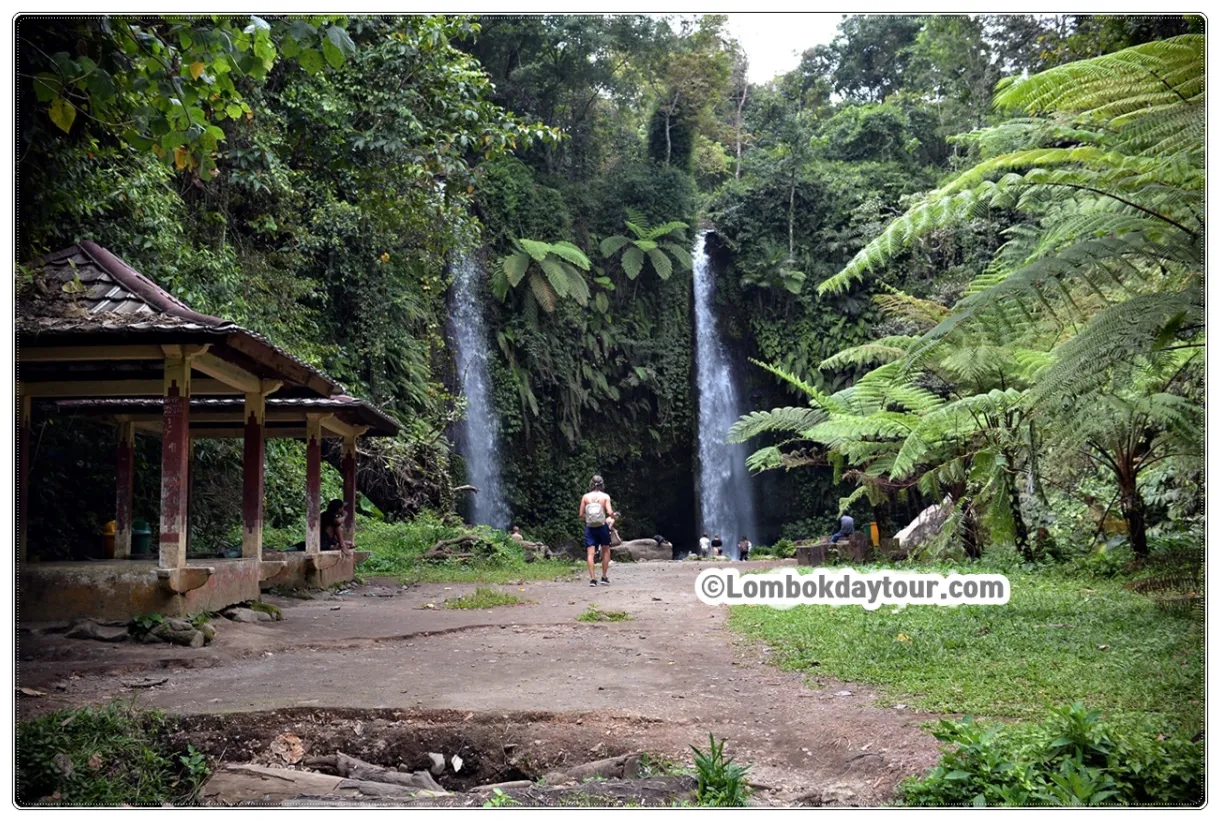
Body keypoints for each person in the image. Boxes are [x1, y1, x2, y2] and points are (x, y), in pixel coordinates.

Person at [579, 475, 615, 586]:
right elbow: (609, 512)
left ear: (591, 484)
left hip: (590, 527)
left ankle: (593, 579)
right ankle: (604, 577)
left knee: (590, 553)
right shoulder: (605, 497)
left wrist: (589, 519)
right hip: (602, 526)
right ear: (602, 484)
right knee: (606, 550)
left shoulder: (585, 497)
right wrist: (614, 516)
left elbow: (581, 514)